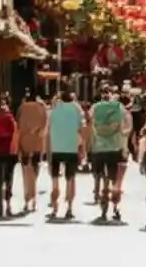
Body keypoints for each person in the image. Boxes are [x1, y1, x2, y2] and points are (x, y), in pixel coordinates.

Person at [89, 85, 128, 221]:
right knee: (115, 181)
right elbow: (127, 126)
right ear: (111, 94)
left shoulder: (94, 108)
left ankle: (103, 208)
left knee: (103, 180)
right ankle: (116, 208)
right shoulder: (119, 107)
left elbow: (89, 124)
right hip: (115, 147)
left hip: (99, 148)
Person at [46, 90, 84, 220]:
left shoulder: (53, 110)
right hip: (71, 147)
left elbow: (48, 128)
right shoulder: (76, 110)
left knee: (55, 180)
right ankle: (69, 208)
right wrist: (82, 148)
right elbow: (80, 128)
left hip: (56, 148)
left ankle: (55, 208)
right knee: (70, 179)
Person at [16, 91, 48, 214]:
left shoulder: (21, 108)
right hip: (37, 144)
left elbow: (18, 126)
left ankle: (27, 197)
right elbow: (45, 126)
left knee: (25, 171)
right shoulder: (41, 108)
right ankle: (33, 198)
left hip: (24, 142)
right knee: (35, 170)